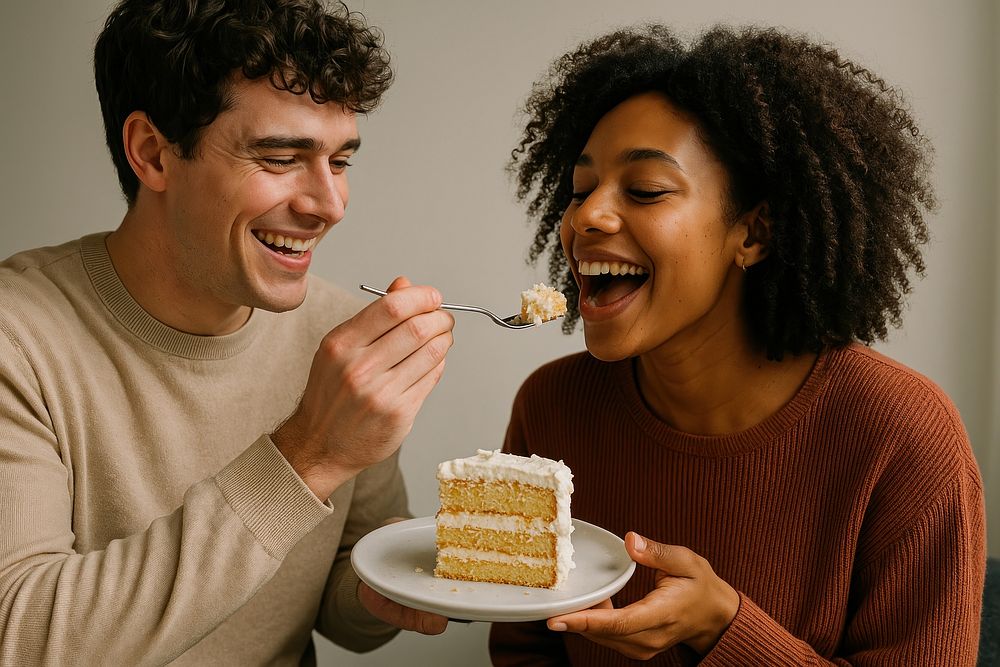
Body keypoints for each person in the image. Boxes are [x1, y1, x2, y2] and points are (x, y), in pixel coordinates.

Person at [489, 24, 985, 665]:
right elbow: (523, 651)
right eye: (581, 192)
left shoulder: (905, 435)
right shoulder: (552, 405)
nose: (585, 217)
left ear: (753, 234)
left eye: (645, 190)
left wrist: (723, 628)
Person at [0, 0, 452, 663]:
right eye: (279, 156)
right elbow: (23, 635)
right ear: (152, 153)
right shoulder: (18, 337)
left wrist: (382, 587)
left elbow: (338, 594)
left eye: (341, 161)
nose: (329, 204)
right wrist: (307, 455)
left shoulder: (338, 338)